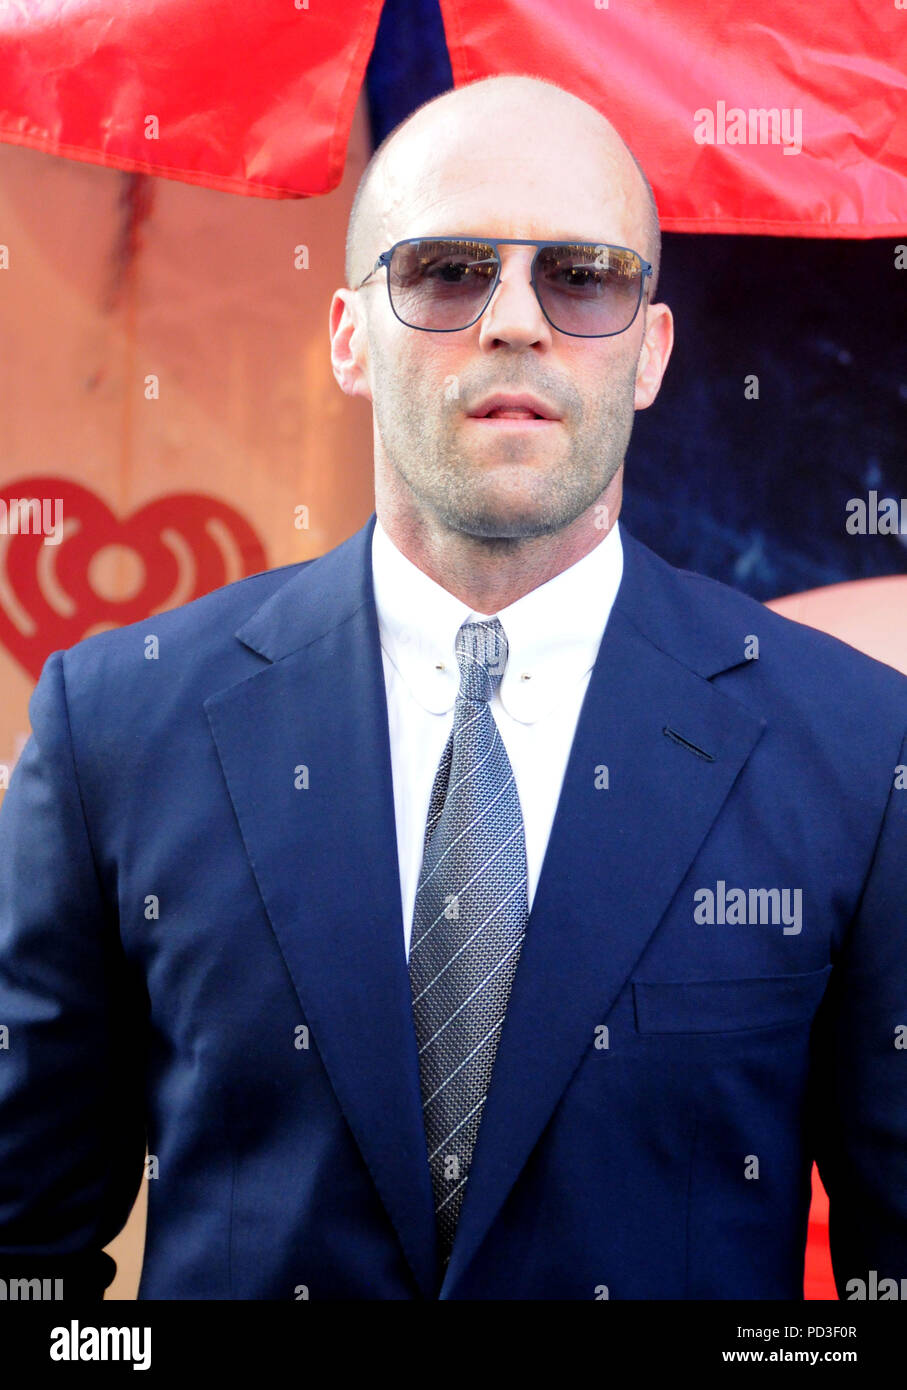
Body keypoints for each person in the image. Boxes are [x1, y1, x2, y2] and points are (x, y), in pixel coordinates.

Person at [1, 73, 905, 1301]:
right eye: (445, 270)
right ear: (345, 336)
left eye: (582, 276)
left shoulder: (853, 750)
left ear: (651, 353)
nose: (515, 322)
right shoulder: (115, 728)